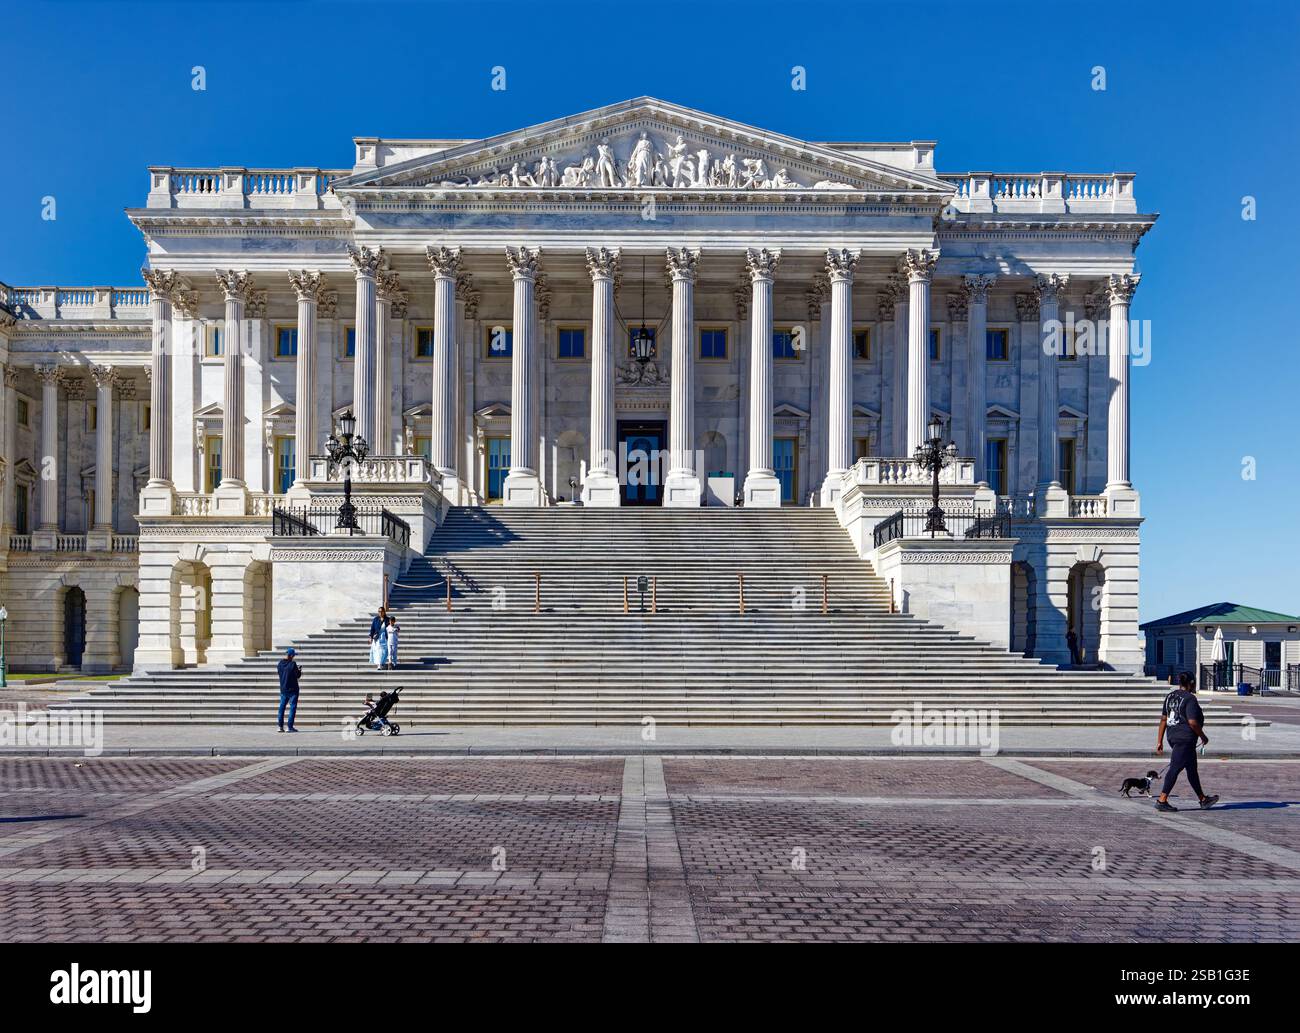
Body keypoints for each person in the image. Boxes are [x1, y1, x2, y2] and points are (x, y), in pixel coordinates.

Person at [1155, 671, 1220, 811]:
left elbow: (1163, 719)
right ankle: (1162, 800)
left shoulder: (1170, 696)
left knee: (1192, 770)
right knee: (1174, 768)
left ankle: (1203, 799)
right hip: (1184, 739)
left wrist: (1159, 741)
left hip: (1173, 736)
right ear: (1191, 683)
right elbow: (1192, 722)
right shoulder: (1190, 699)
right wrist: (1203, 736)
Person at [277, 647, 302, 733]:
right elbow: (297, 675)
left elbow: (280, 673)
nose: (294, 657)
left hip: (283, 689)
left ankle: (280, 726)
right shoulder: (293, 664)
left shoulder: (280, 663)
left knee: (282, 707)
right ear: (291, 656)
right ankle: (289, 727)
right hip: (293, 690)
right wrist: (299, 670)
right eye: (293, 656)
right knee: (292, 707)